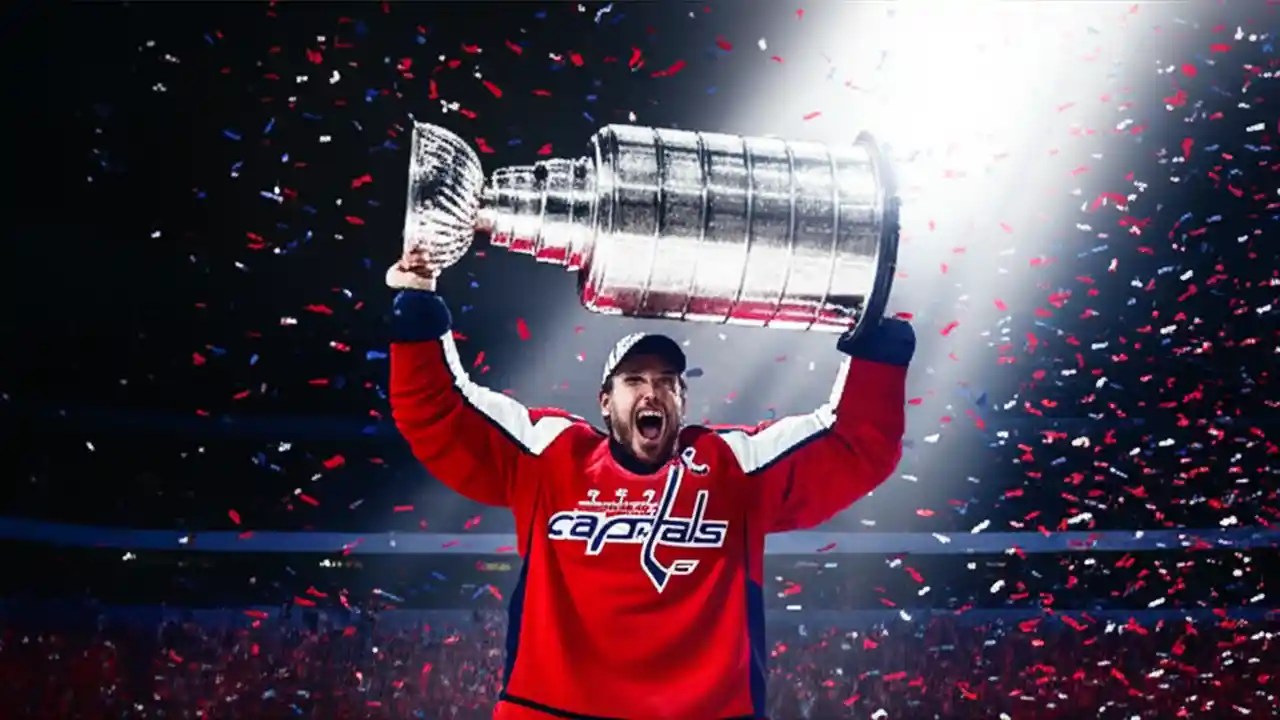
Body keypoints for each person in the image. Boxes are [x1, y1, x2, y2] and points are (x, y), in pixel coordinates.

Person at [386, 244, 915, 720]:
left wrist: (875, 354)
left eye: (667, 382)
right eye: (634, 380)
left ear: (683, 400)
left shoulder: (734, 464)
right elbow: (443, 412)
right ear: (604, 401)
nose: (652, 393)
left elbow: (852, 445)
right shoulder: (552, 453)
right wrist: (419, 308)